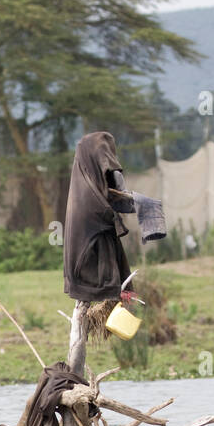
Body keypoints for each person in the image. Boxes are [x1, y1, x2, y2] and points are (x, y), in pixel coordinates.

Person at [63, 131, 157, 376]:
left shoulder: (87, 181)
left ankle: (104, 315)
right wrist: (134, 202)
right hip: (87, 257)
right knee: (93, 298)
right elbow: (114, 203)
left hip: (87, 254)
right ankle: (100, 318)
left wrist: (127, 200)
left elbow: (115, 195)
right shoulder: (88, 195)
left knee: (105, 290)